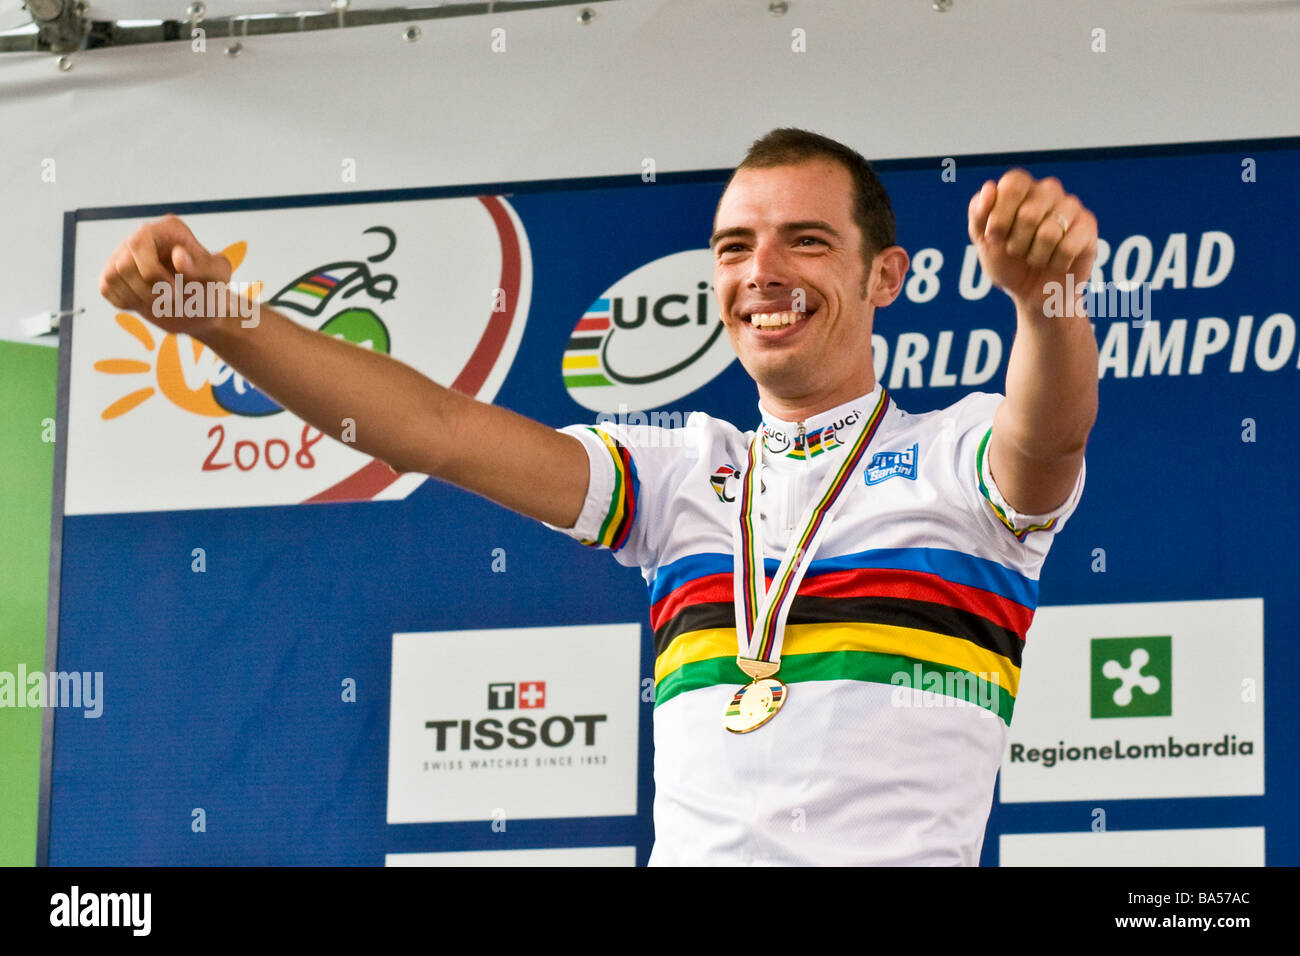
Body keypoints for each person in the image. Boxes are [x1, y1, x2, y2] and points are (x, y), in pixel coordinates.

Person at [98, 127, 1098, 865]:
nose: (762, 272)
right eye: (734, 246)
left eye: (805, 241)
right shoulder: (678, 475)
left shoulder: (953, 456)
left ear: (885, 276)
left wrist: (1044, 299)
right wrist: (218, 319)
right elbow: (433, 433)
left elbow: (1048, 432)